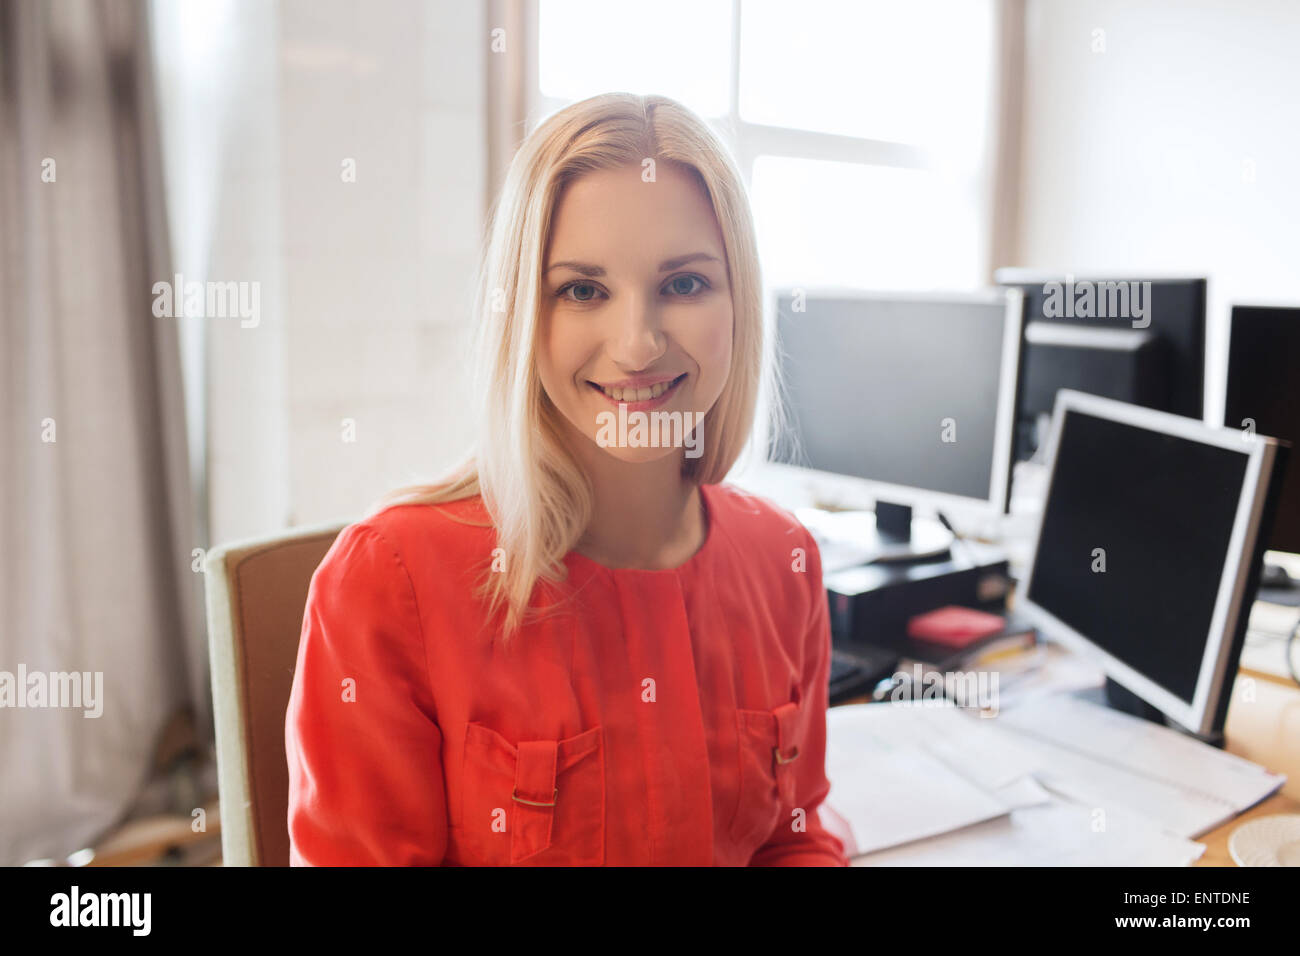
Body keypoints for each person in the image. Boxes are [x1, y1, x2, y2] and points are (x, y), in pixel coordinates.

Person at [285, 92, 849, 866]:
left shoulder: (785, 557)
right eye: (583, 290)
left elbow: (794, 839)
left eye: (683, 285)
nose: (639, 344)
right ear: (523, 313)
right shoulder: (386, 584)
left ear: (740, 304)